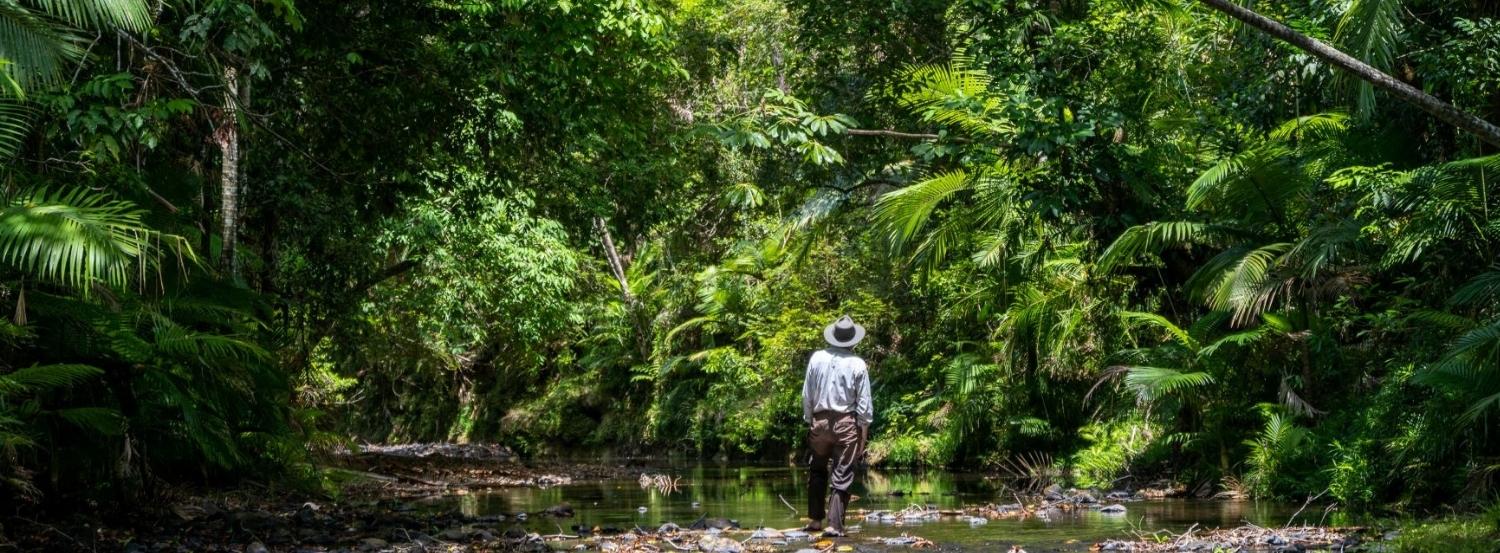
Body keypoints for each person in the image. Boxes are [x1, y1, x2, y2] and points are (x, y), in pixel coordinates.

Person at [801, 315, 873, 537]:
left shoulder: (817, 358)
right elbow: (864, 404)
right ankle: (834, 525)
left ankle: (815, 520)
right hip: (846, 423)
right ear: (853, 341)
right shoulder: (858, 363)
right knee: (843, 472)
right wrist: (863, 434)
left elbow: (807, 394)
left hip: (819, 421)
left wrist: (810, 420)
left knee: (817, 469)